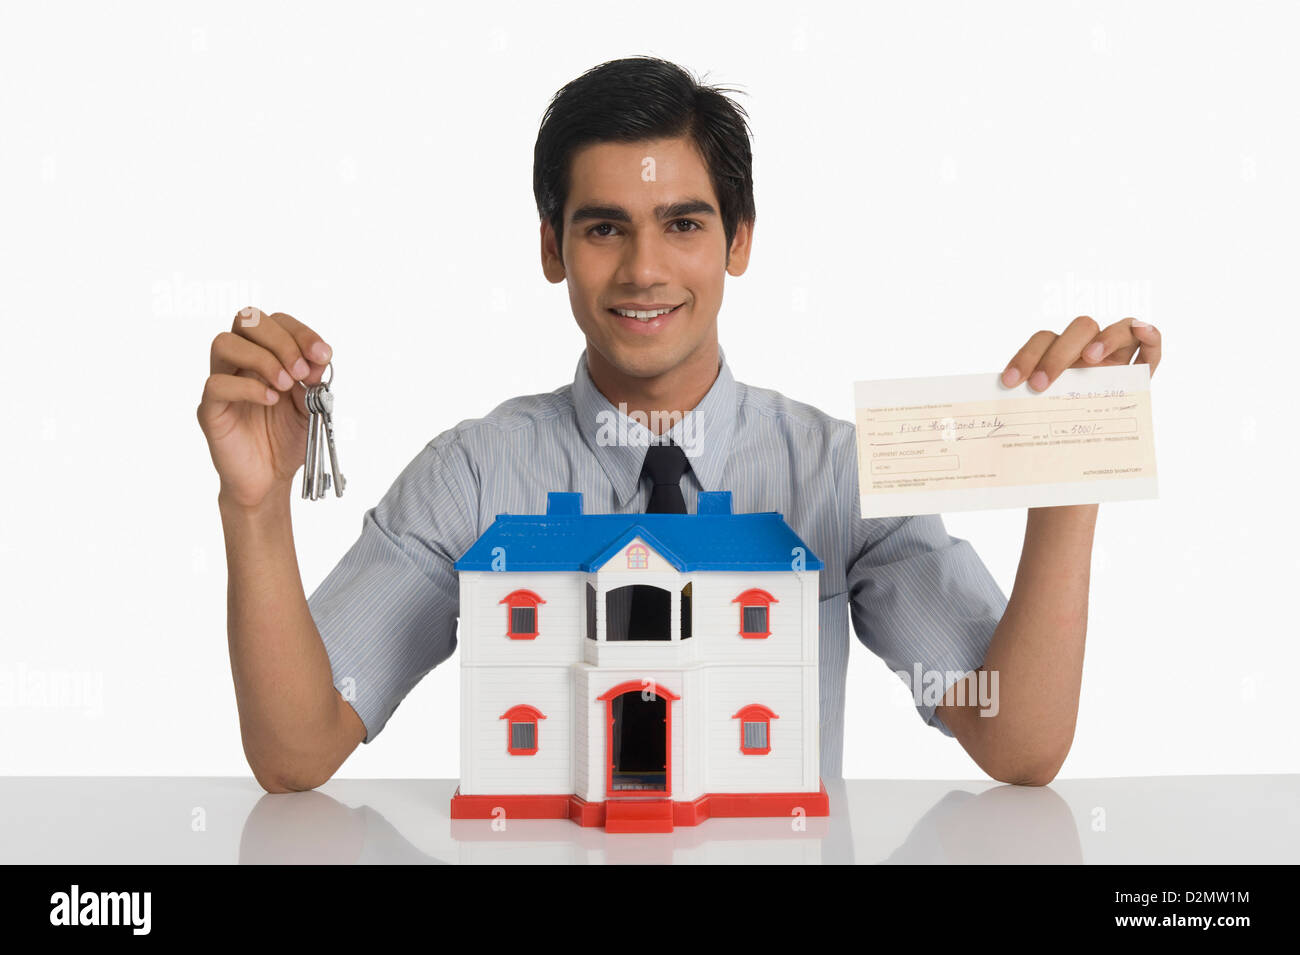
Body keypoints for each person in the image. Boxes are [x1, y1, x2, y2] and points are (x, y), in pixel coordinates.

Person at [197, 56, 1163, 794]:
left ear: (740, 240)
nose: (645, 270)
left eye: (685, 224)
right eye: (605, 226)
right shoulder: (473, 476)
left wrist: (1070, 489)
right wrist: (257, 507)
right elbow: (298, 750)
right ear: (552, 247)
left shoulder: (838, 473)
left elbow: (1017, 742)